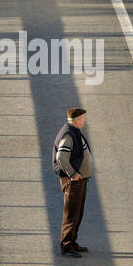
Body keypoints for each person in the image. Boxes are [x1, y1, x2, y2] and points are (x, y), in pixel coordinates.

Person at [52, 107, 93, 257]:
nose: (85, 120)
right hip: (73, 181)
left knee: (77, 212)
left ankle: (72, 242)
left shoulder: (74, 131)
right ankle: (67, 246)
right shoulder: (68, 134)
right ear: (76, 120)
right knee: (71, 214)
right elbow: (61, 158)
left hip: (79, 180)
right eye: (83, 118)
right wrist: (73, 174)